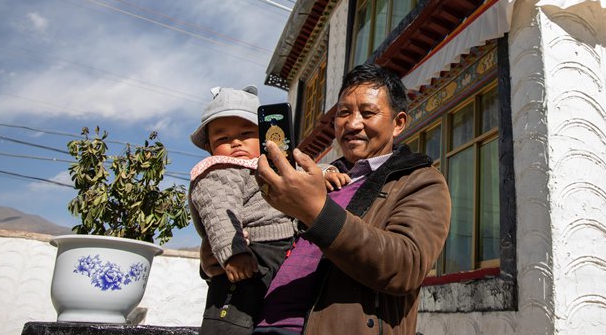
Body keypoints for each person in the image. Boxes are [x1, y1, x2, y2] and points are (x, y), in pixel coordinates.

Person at [250, 64, 452, 334]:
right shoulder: (320, 179)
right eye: (344, 113)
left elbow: (406, 265)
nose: (353, 124)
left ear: (398, 123)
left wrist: (317, 213)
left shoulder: (420, 180)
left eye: (368, 113)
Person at [190, 86, 335, 335]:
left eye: (246, 133)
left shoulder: (269, 165)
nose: (235, 142)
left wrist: (328, 173)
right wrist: (233, 253)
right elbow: (220, 211)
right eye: (222, 138)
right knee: (230, 322)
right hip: (249, 253)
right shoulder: (220, 170)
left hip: (284, 252)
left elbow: (301, 174)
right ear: (210, 147)